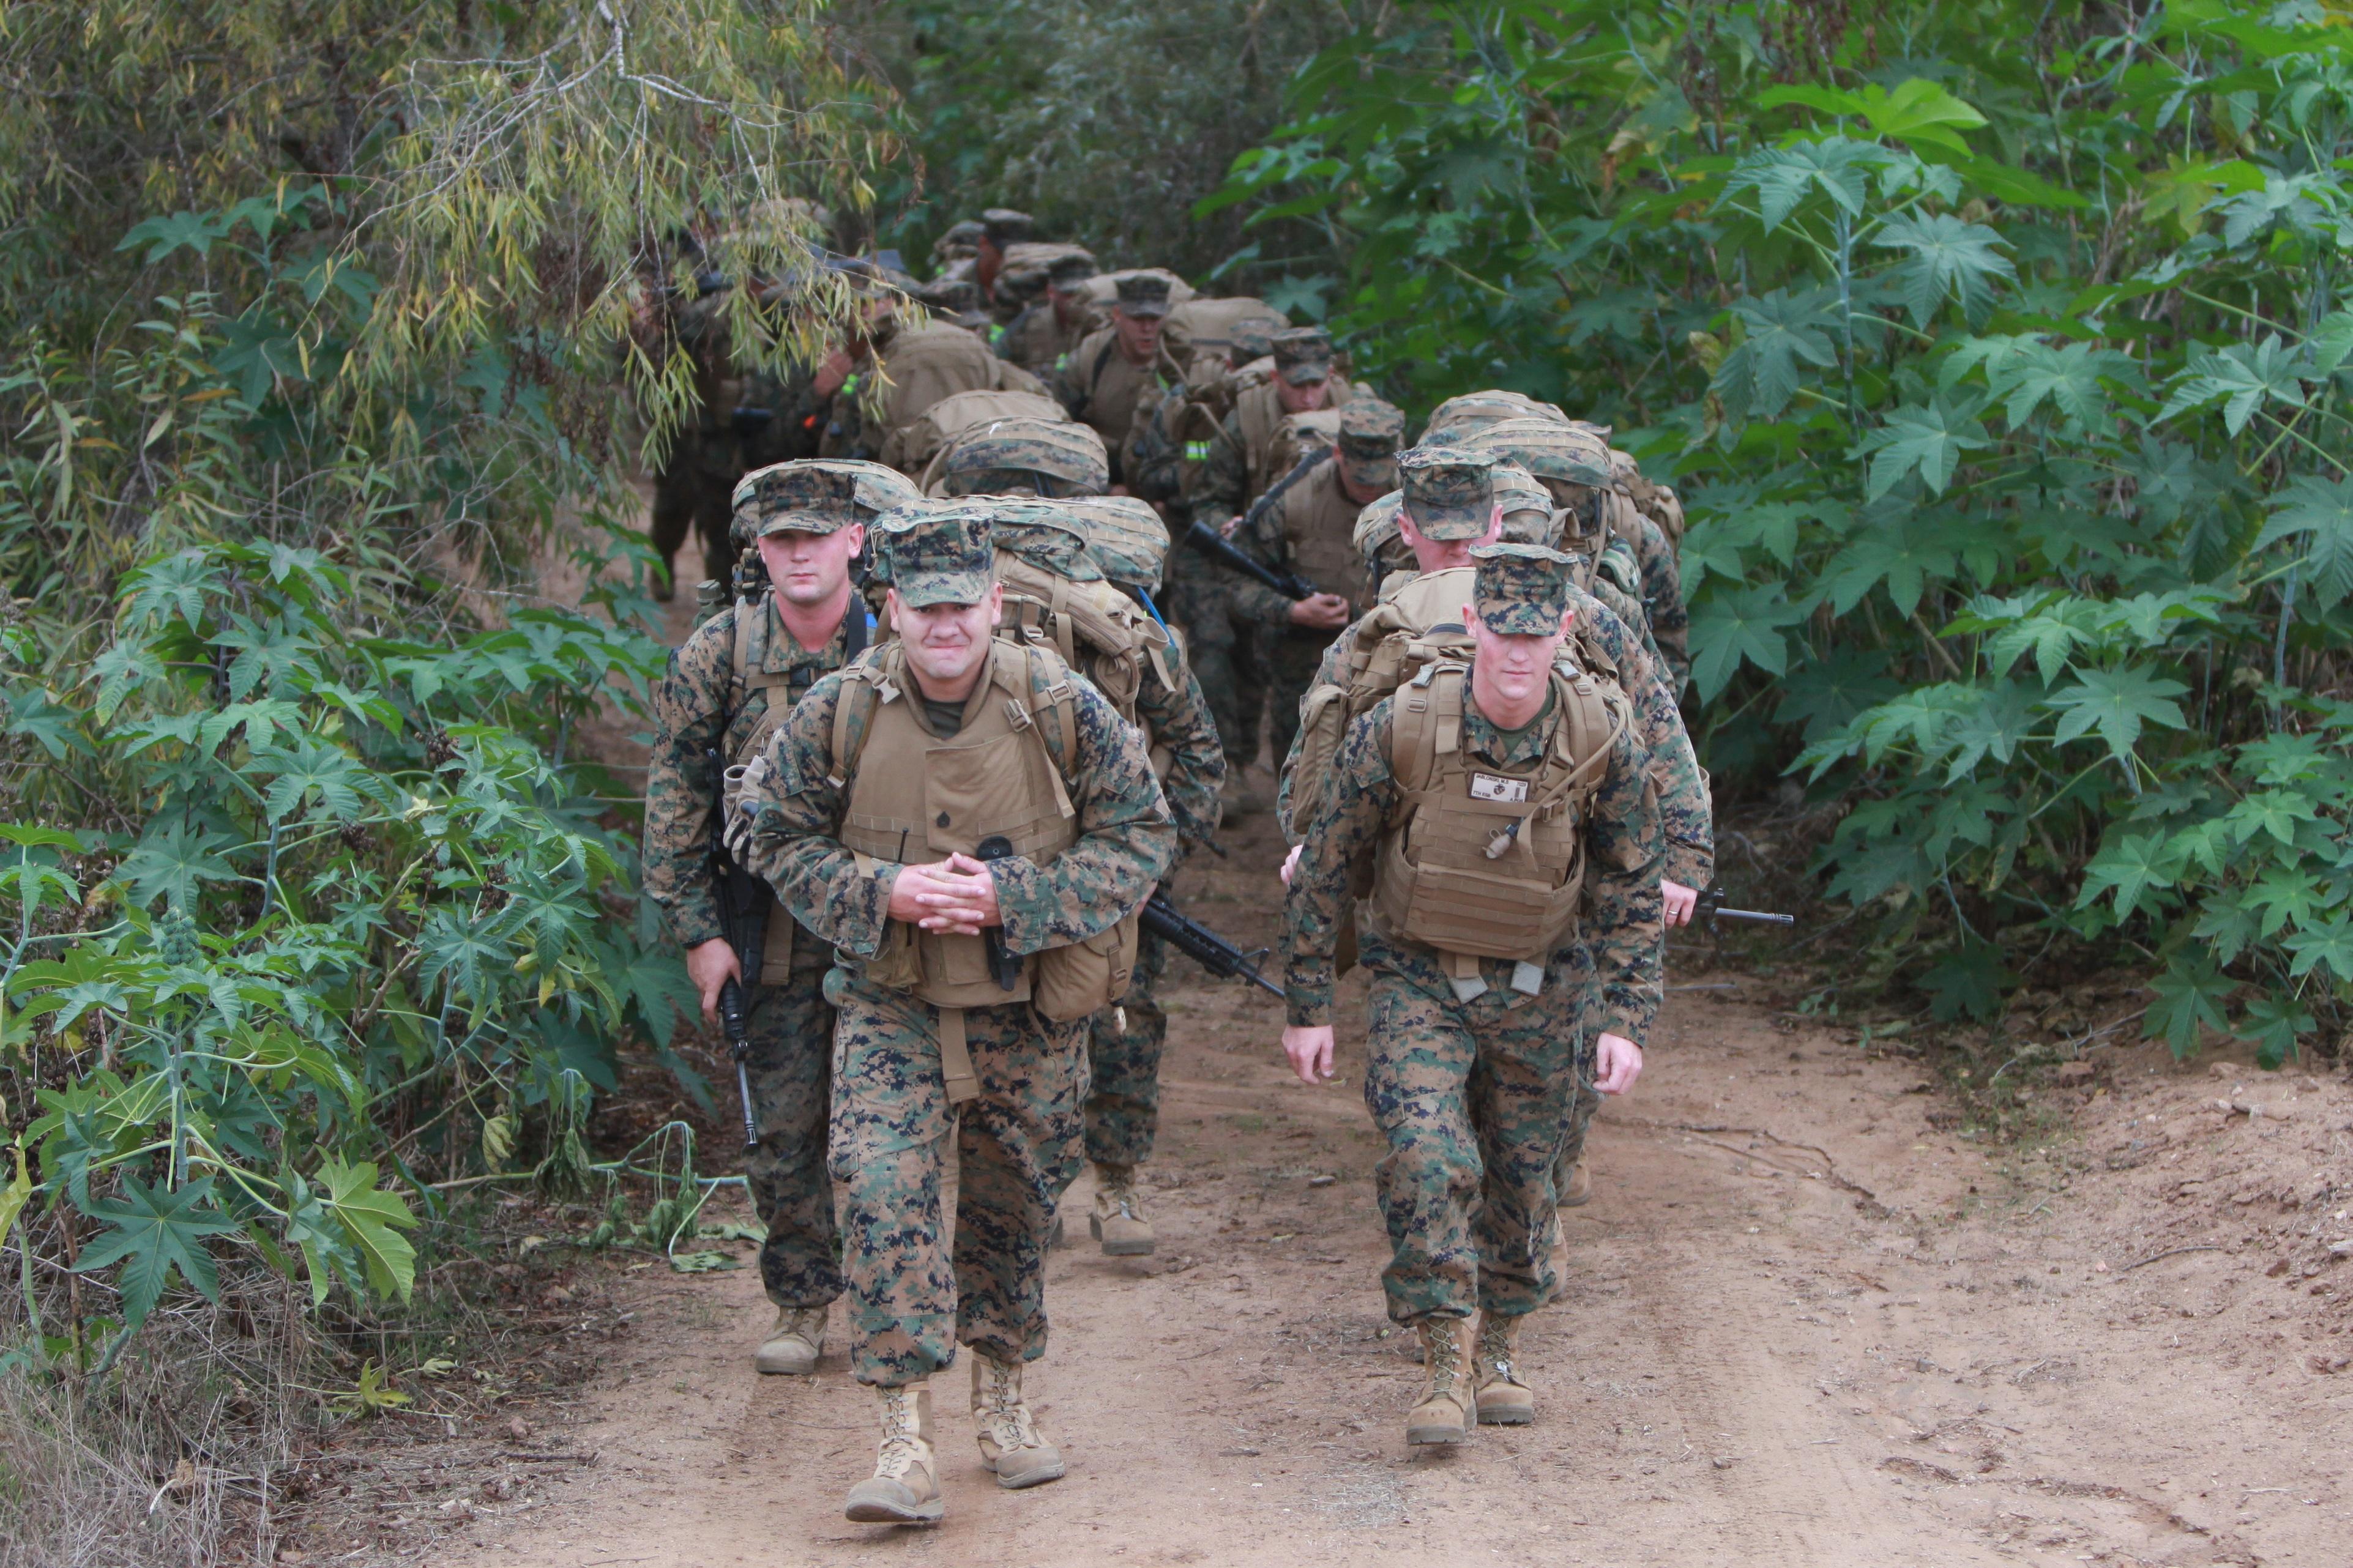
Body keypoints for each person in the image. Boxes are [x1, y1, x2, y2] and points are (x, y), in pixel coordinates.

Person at [728, 503, 1177, 1525]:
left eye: (961, 606)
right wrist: (880, 892)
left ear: (993, 606)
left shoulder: (1057, 702)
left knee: (1013, 1202)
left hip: (1027, 1007)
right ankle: (902, 1439)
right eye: (922, 607)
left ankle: (1005, 1401)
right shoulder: (840, 709)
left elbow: (1144, 837)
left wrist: (1009, 900)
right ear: (890, 609)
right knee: (880, 1186)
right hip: (892, 1000)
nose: (943, 625)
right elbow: (773, 832)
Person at [1277, 505, 1663, 1448]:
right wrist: (1310, 1005)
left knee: (1523, 1180)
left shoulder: (1600, 735)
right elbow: (1326, 861)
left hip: (1545, 986)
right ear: (1477, 623)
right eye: (1505, 627)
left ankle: (1502, 1344)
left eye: (1540, 629)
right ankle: (1444, 1357)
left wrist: (1624, 1019)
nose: (1520, 648)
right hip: (1419, 975)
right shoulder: (1404, 725)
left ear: (1563, 629)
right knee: (1427, 1152)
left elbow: (1631, 883)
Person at [643, 458, 922, 1378]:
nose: (800, 555)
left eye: (817, 537)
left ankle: (903, 1302)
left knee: (890, 1127)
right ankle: (802, 1295)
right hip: (768, 927)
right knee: (785, 1122)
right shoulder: (719, 653)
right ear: (760, 550)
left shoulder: (899, 644)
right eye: (782, 539)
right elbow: (676, 799)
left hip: (887, 920)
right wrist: (699, 930)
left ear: (854, 543)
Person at [970, 496, 1225, 1256]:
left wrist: (1151, 869)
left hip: (1117, 873)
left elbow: (1196, 756)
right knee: (1013, 1026)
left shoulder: (1133, 641)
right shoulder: (977, 634)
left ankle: (1115, 1180)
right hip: (1006, 870)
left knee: (1122, 1021)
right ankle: (1032, 1186)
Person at [1225, 397, 1401, 768]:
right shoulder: (1291, 502)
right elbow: (1236, 587)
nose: (1370, 488)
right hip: (1303, 665)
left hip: (1392, 662)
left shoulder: (1414, 501)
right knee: (1300, 769)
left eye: (1379, 476)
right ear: (1338, 453)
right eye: (1360, 477)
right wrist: (1293, 610)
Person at [1056, 273, 1185, 489]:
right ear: (1118, 315)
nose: (1147, 329)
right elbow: (1062, 427)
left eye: (1154, 319)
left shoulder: (1179, 360)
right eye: (1137, 319)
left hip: (1161, 472)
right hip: (1099, 469)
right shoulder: (1090, 357)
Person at [1002, 253, 1100, 376]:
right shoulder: (1024, 328)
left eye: (1081, 294)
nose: (1075, 301)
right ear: (1051, 291)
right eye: (1068, 294)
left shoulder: (1100, 327)